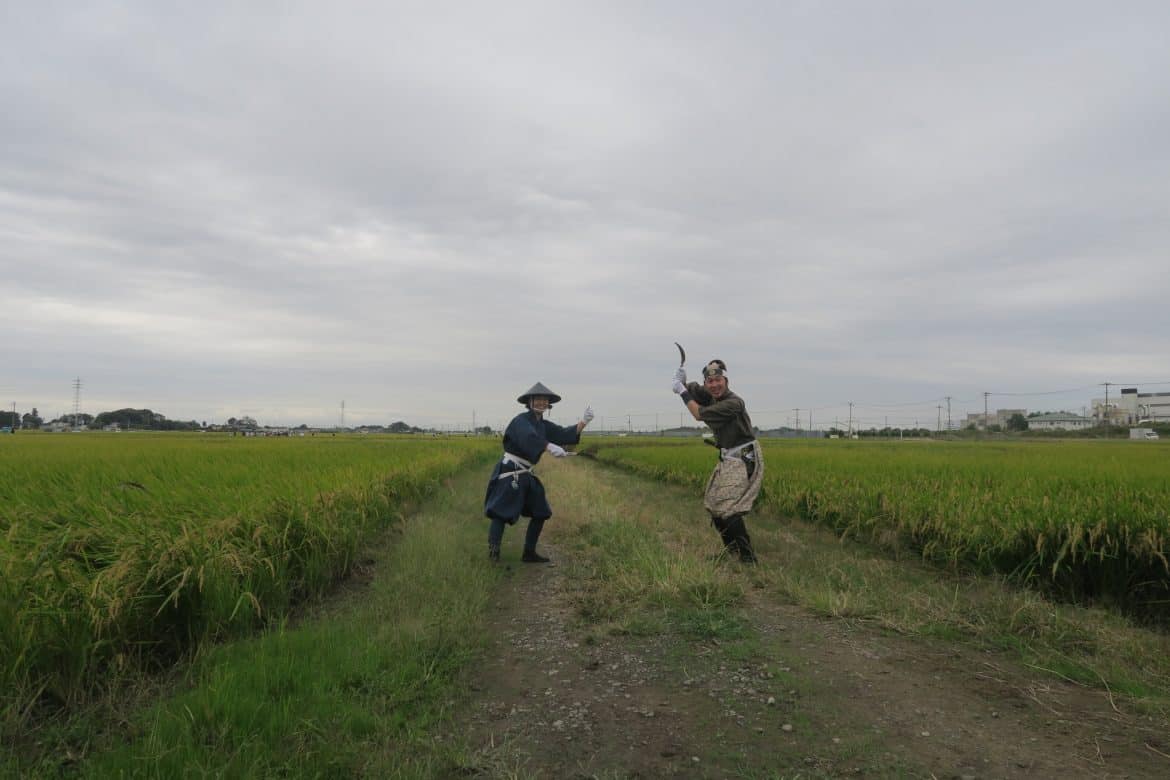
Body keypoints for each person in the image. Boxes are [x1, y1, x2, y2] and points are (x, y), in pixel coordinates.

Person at [484, 382, 594, 563]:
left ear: (548, 404)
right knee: (500, 512)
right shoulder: (521, 421)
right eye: (538, 399)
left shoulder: (543, 425)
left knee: (541, 511)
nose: (542, 402)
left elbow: (563, 433)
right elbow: (528, 437)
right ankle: (493, 555)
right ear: (530, 401)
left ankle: (529, 553)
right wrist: (548, 446)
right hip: (511, 471)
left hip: (526, 473)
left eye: (545, 400)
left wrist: (584, 422)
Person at [672, 359, 763, 562]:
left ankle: (748, 559)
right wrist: (684, 381)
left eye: (718, 380)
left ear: (726, 380)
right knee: (714, 505)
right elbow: (695, 389)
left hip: (744, 456)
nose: (714, 385)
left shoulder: (733, 403)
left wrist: (681, 391)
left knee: (728, 509)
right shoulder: (712, 395)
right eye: (710, 381)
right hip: (728, 457)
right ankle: (732, 552)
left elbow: (698, 414)